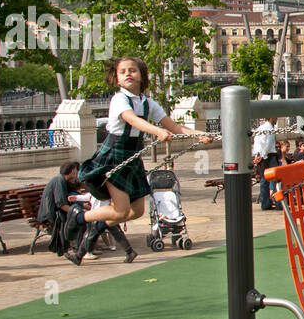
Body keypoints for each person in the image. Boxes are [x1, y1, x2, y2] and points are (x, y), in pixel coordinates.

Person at [68, 57, 208, 266]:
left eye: (132, 70)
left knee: (137, 211)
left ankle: (97, 227)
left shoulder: (148, 103)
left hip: (132, 157)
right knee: (121, 210)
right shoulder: (119, 99)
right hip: (114, 155)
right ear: (116, 78)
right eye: (122, 71)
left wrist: (199, 135)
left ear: (142, 75)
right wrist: (157, 131)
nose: (127, 74)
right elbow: (132, 119)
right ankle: (79, 217)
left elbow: (174, 126)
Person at [37, 161, 89, 256]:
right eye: (76, 170)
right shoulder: (59, 181)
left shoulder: (63, 181)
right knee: (80, 220)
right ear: (72, 171)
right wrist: (78, 213)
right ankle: (79, 250)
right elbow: (61, 204)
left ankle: (84, 248)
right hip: (51, 215)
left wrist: (85, 207)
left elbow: (71, 200)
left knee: (82, 218)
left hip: (59, 213)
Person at [252, 119, 281, 211]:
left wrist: (257, 154)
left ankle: (265, 203)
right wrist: (262, 155)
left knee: (264, 181)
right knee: (275, 179)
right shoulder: (269, 128)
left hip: (262, 155)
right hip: (269, 156)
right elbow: (267, 144)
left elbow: (257, 143)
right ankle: (278, 203)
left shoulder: (261, 127)